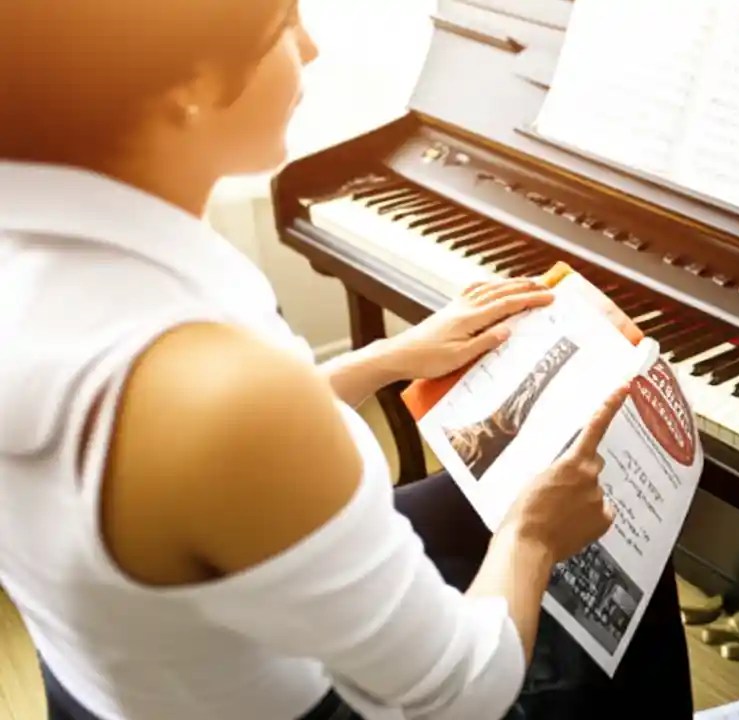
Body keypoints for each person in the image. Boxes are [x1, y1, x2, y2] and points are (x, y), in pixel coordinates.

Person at [0, 2, 693, 719]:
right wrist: (533, 536)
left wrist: (390, 356)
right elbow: (464, 693)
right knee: (604, 524)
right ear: (189, 82)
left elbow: (178, 455)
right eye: (283, 26)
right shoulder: (224, 392)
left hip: (120, 666)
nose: (311, 47)